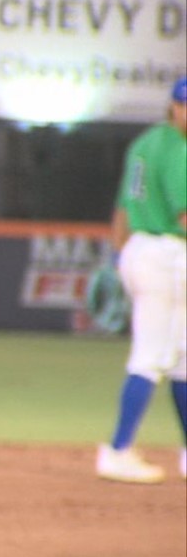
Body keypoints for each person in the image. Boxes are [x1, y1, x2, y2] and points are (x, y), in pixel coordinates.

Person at [96, 75, 187, 484]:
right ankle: (117, 450)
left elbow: (122, 208)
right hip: (169, 255)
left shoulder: (144, 144)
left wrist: (119, 255)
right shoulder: (180, 150)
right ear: (173, 106)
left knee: (183, 359)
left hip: (143, 252)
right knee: (150, 357)